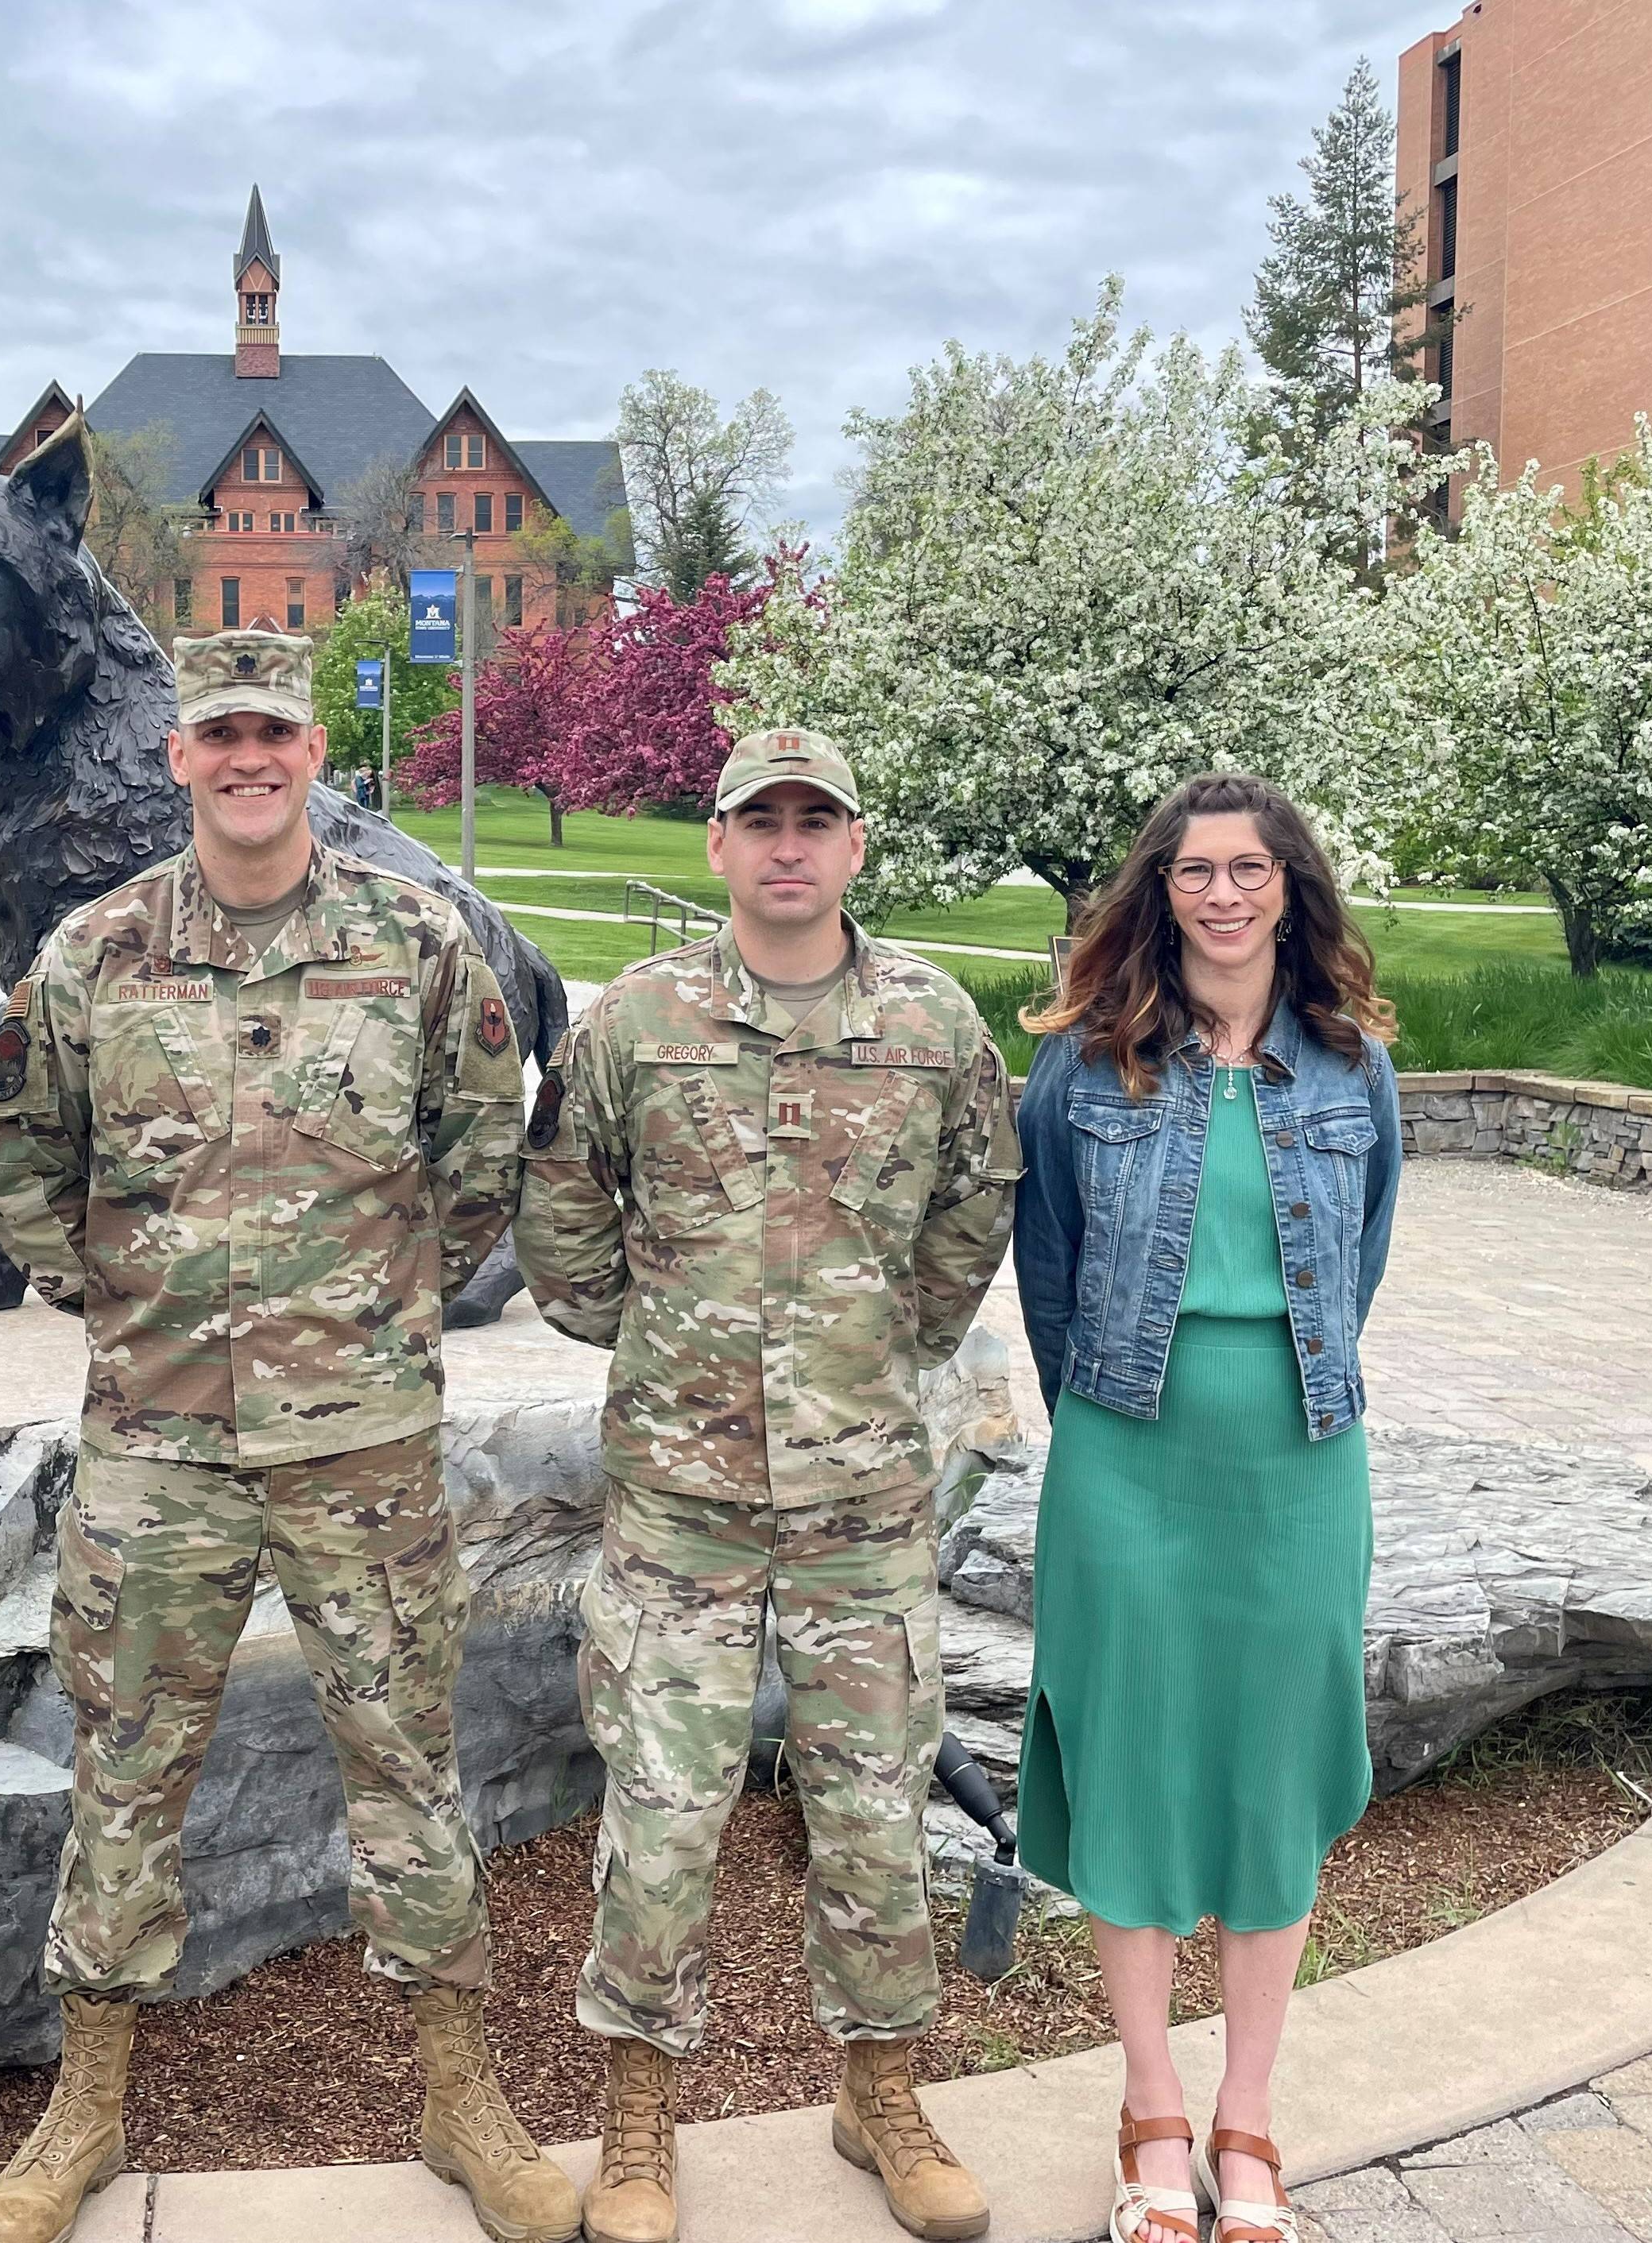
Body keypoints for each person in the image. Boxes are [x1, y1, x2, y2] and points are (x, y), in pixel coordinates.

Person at [0, 627, 574, 2243]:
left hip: (358, 1443)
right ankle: (86, 2104)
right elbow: (19, 1151)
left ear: (314, 754)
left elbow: (479, 1159)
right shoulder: (96, 951)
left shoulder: (416, 941)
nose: (248, 759)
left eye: (274, 735)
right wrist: (117, 1296)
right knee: (123, 1766)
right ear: (179, 754)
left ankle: (461, 2094)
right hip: (157, 1443)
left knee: (407, 1761)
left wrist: (378, 1308)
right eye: (220, 735)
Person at [515, 729, 1021, 2243]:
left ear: (854, 846)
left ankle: (881, 2094)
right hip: (682, 1506)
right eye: (761, 821)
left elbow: (975, 1205)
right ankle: (639, 2117)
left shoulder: (932, 1021)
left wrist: (885, 1344)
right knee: (664, 1816)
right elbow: (560, 1210)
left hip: (863, 1506)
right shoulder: (638, 1021)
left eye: (817, 821)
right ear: (720, 846)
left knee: (873, 1809)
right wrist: (658, 1332)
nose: (788, 846)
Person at [1010, 773, 1399, 2243]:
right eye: (1193, 871)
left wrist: (1280, 1384)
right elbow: (1049, 1266)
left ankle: (1249, 2118)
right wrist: (1107, 1418)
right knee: (1135, 1767)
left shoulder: (1351, 1067)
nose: (1222, 894)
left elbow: (1359, 1264)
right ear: (1158, 892)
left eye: (1248, 869)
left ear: (1290, 889)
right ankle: (1154, 2109)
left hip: (1296, 1467)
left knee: (1271, 1779)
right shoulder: (1084, 1063)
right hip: (1127, 1462)